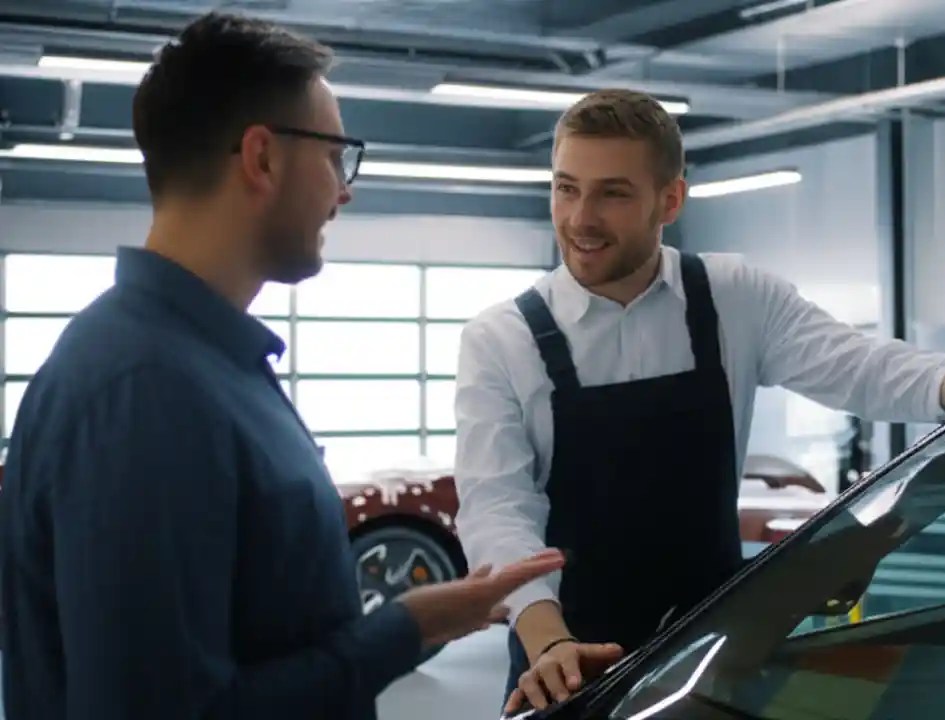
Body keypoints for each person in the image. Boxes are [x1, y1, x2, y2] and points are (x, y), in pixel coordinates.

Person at [449, 88, 945, 715]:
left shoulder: (733, 297)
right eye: (566, 188)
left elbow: (854, 363)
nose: (580, 218)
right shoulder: (501, 340)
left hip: (714, 664)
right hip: (564, 669)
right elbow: (496, 509)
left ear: (670, 199)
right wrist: (550, 641)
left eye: (612, 193)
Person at [0, 12, 563, 720]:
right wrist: (406, 627)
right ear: (262, 158)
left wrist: (415, 622)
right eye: (335, 154)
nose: (344, 188)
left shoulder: (196, 365)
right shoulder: (146, 392)